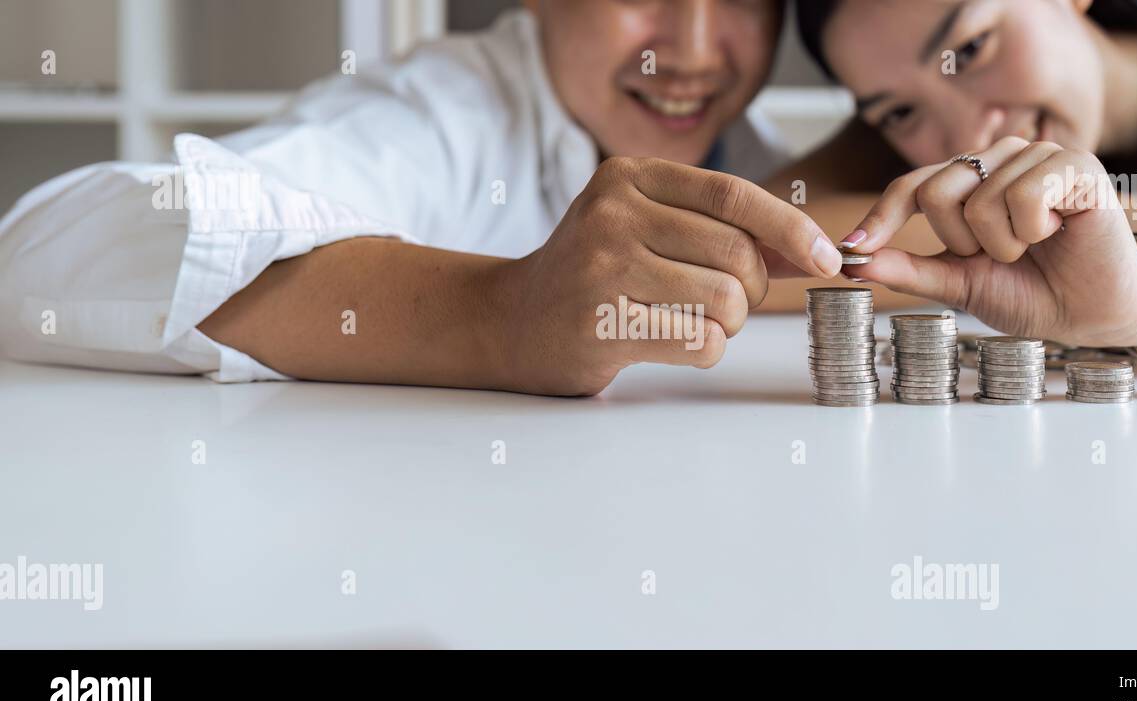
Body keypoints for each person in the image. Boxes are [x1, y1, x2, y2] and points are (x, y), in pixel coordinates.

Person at [0, 0, 845, 397]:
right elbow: (39, 249)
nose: (694, 50)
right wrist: (501, 313)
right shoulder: (436, 116)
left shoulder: (760, 156)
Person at [792, 0, 1137, 360]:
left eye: (969, 50)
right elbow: (752, 233)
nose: (971, 133)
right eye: (899, 110)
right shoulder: (897, 144)